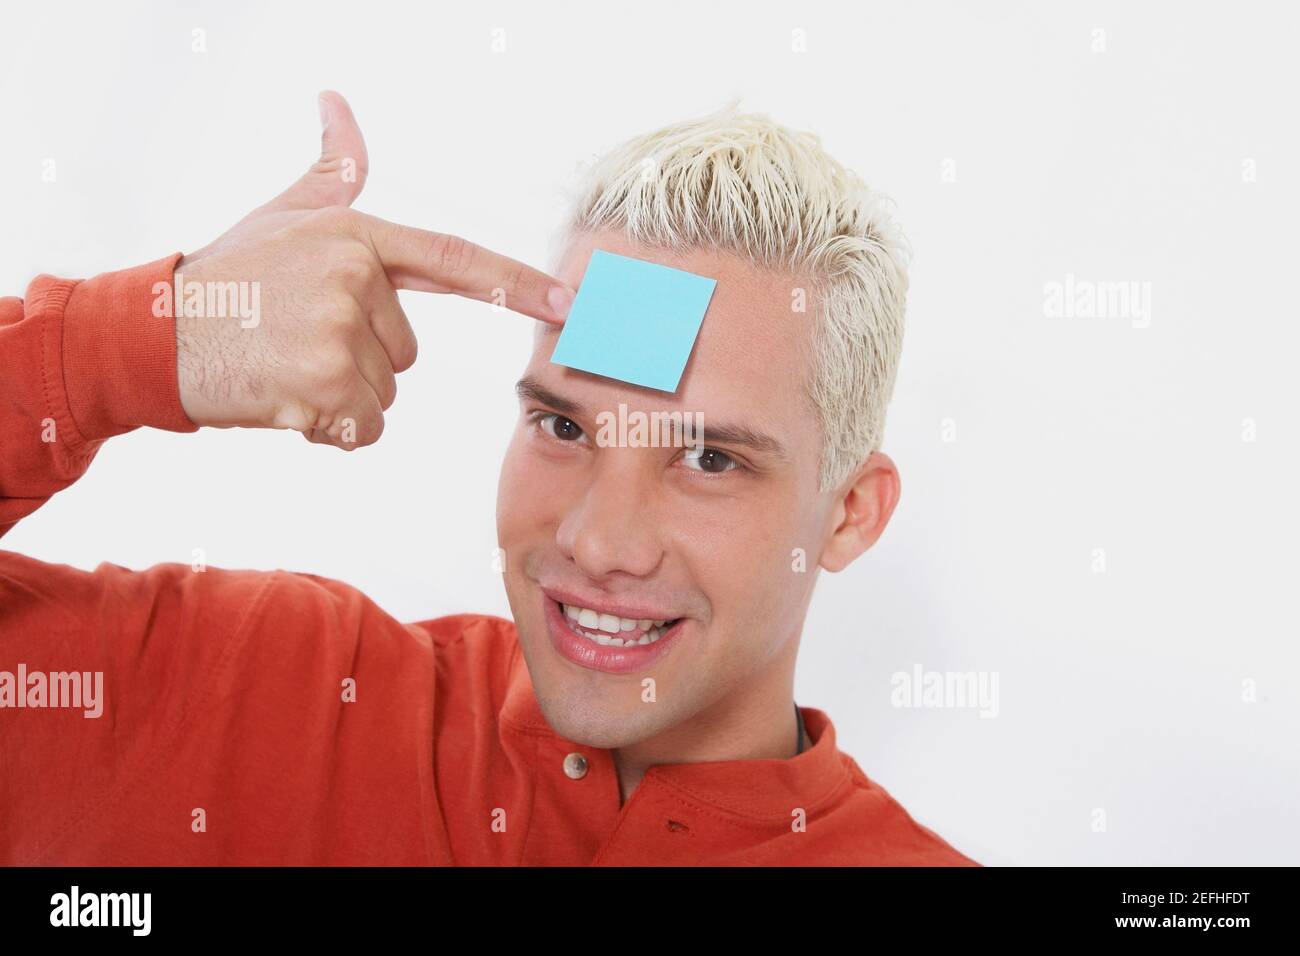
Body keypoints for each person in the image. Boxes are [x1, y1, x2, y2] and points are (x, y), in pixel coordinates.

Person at [0, 91, 978, 866]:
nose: (599, 539)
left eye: (709, 457)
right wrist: (126, 347)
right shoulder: (257, 692)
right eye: (562, 423)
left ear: (850, 513)